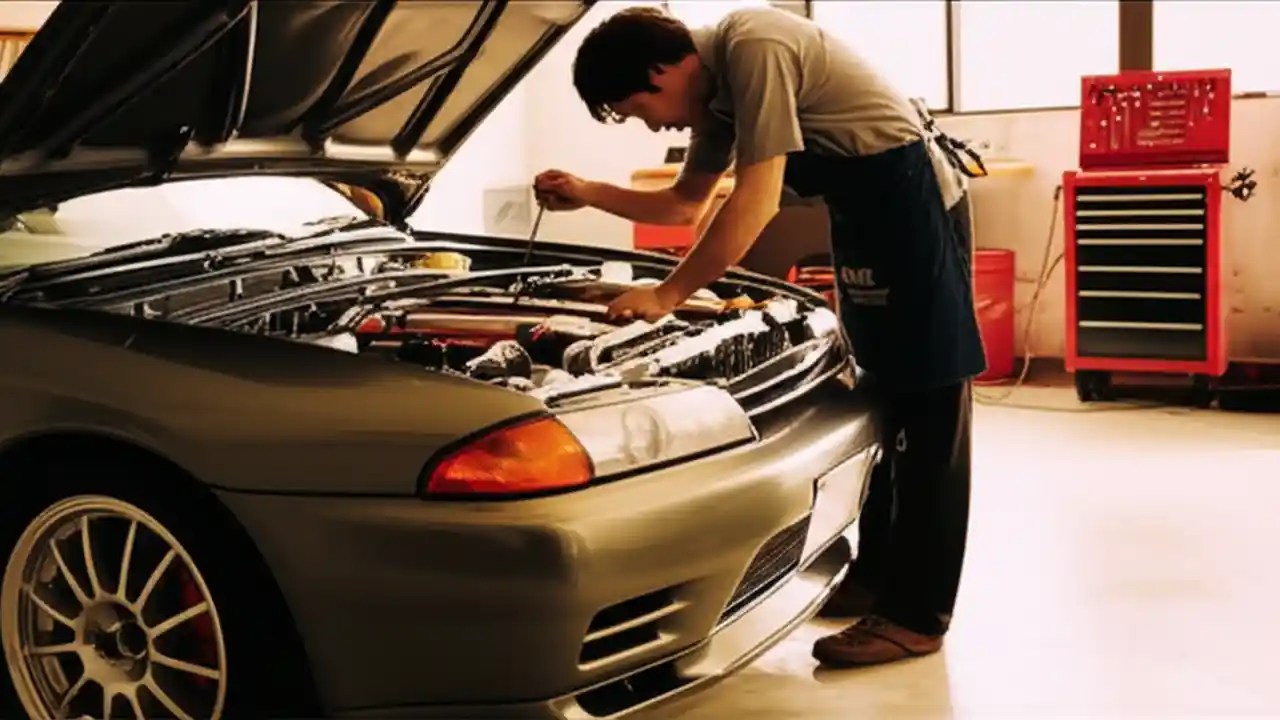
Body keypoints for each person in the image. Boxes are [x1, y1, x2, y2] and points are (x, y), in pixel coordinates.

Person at [533, 5, 986, 667]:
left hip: (913, 203)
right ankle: (878, 579)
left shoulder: (755, 44)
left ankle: (917, 615)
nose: (654, 125)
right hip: (867, 213)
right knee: (885, 400)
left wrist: (668, 295)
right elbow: (684, 204)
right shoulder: (717, 101)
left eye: (640, 108)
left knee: (932, 405)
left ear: (665, 69)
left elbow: (756, 200)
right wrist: (588, 192)